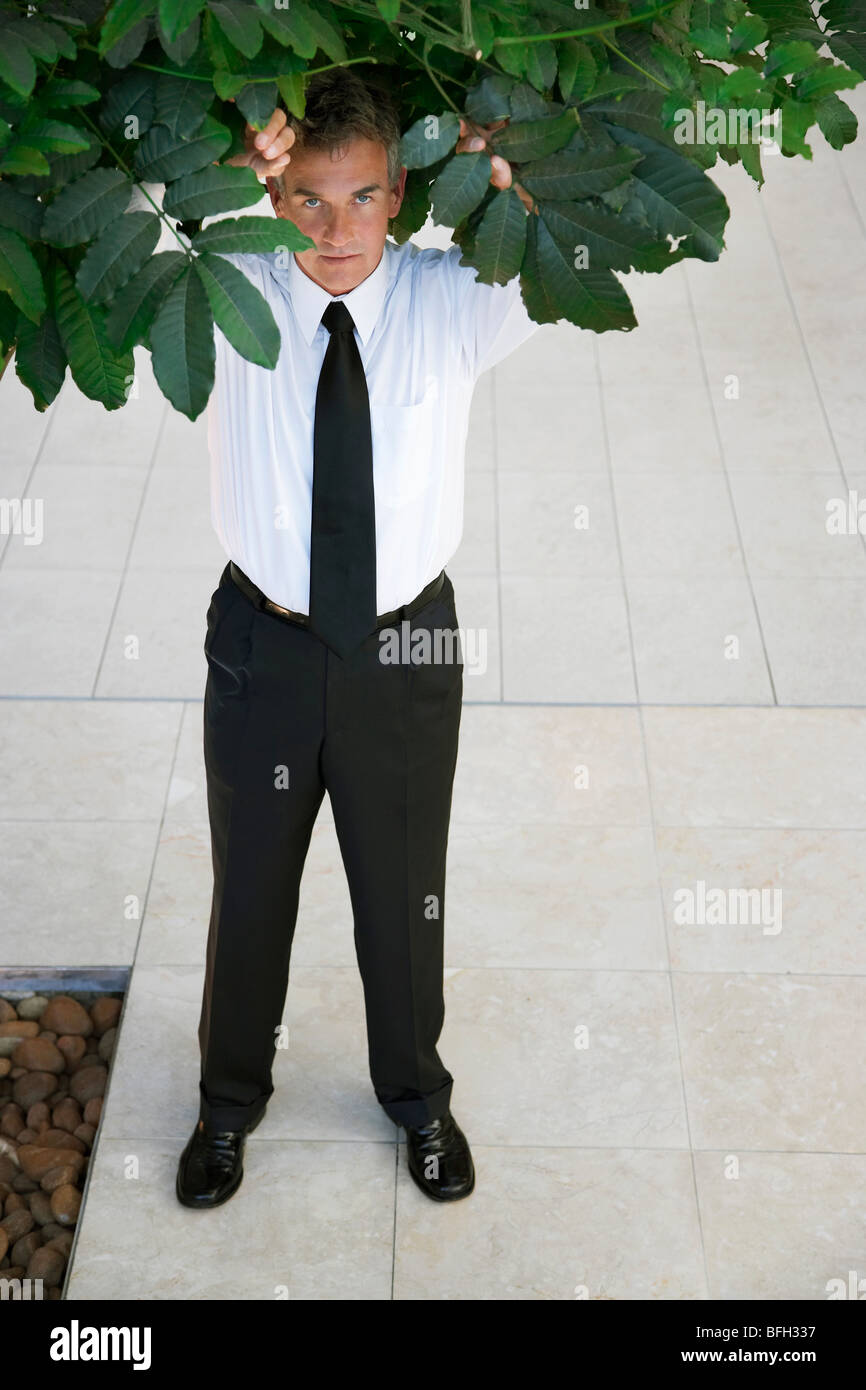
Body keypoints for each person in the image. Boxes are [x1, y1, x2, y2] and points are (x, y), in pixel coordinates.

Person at [176, 67, 543, 1211]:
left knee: (401, 888)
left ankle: (417, 1099)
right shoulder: (223, 278)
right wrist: (220, 172)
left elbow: (546, 240)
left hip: (402, 649)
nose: (338, 231)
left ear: (400, 194)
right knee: (251, 892)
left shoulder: (454, 298)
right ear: (274, 197)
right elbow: (159, 196)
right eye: (309, 201)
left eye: (366, 198)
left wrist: (492, 155)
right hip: (264, 641)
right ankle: (228, 1105)